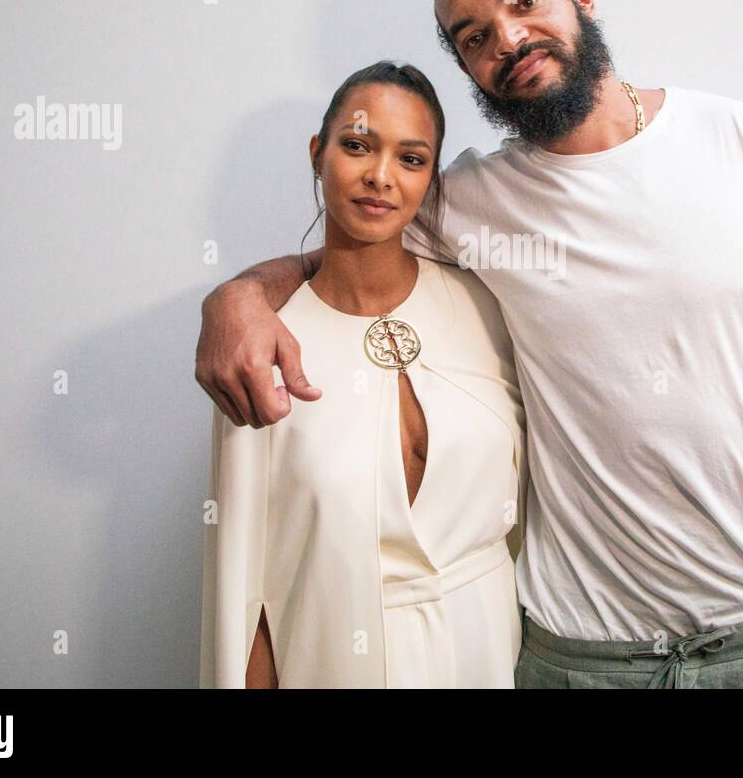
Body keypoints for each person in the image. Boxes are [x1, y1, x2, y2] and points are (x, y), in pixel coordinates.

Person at [196, 0, 743, 689]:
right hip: (574, 661)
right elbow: (351, 244)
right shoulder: (466, 200)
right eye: (473, 36)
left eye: (524, 0)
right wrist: (238, 297)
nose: (508, 37)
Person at [199, 61, 528, 688]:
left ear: (432, 178)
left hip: (490, 648)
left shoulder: (485, 307)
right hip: (333, 656)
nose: (381, 177)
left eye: (411, 159)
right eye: (357, 146)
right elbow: (245, 581)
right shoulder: (258, 342)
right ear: (319, 153)